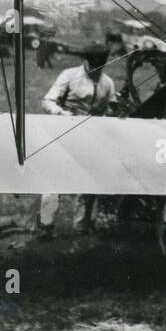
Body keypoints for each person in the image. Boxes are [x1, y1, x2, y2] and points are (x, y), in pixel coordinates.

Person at [36, 43, 116, 236]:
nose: (97, 68)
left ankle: (81, 227)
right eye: (93, 63)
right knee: (54, 181)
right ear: (85, 60)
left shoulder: (107, 83)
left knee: (89, 183)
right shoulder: (69, 75)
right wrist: (63, 114)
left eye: (101, 64)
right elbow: (48, 101)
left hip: (92, 138)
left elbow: (111, 108)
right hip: (65, 133)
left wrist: (113, 114)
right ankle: (45, 227)